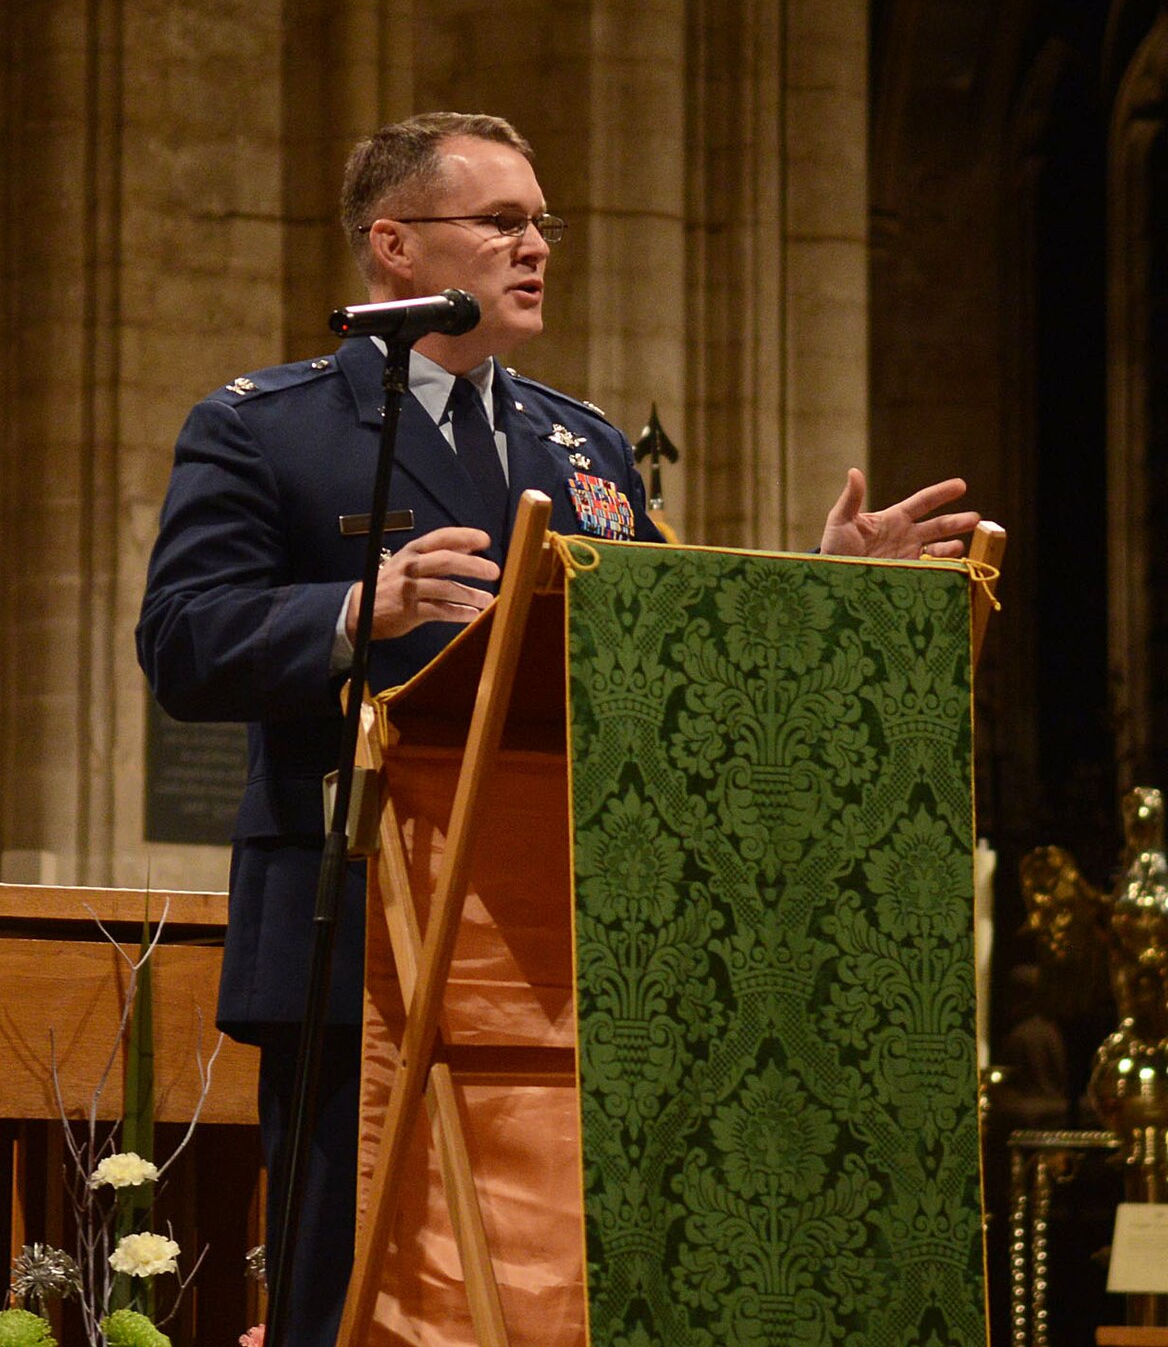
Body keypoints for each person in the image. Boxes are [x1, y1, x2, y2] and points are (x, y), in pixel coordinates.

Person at [134, 111, 979, 1347]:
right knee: (343, 1276)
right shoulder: (268, 428)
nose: (535, 247)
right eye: (500, 222)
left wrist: (816, 580)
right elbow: (180, 642)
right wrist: (354, 608)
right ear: (393, 245)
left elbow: (649, 662)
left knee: (556, 1272)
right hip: (357, 916)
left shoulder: (575, 442)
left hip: (567, 933)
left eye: (541, 224)